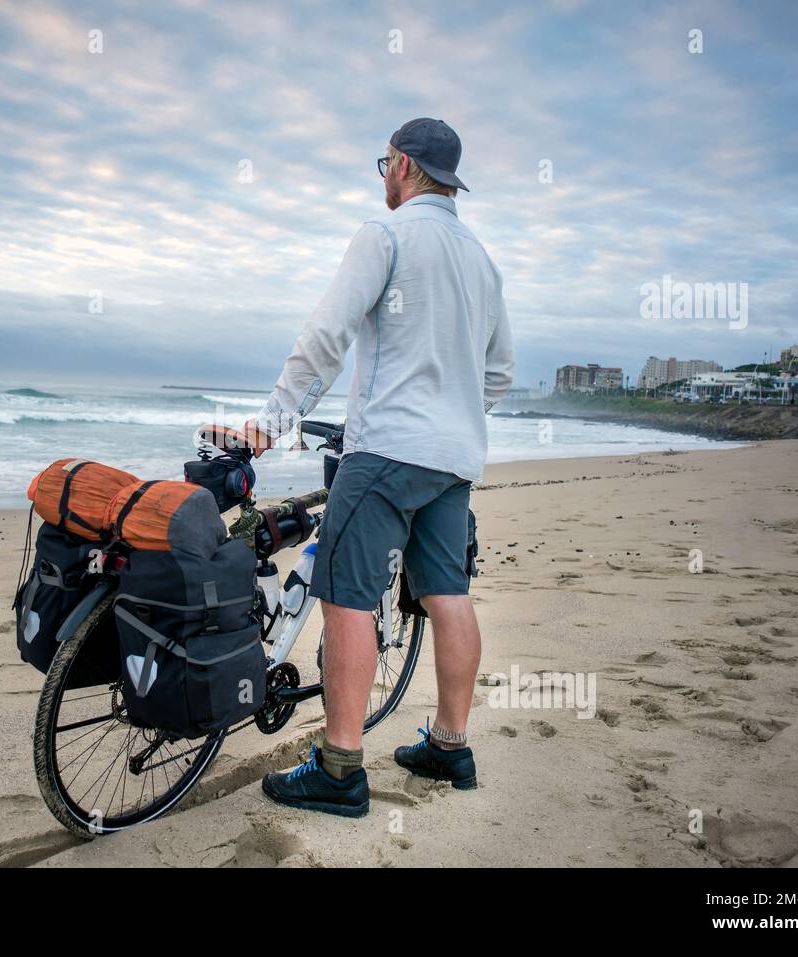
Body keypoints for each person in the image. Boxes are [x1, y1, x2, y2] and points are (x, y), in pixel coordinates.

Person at [244, 117, 515, 817]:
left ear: (402, 165)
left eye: (383, 163)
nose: (382, 175)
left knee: (347, 595)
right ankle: (450, 745)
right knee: (446, 591)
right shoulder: (482, 260)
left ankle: (339, 767)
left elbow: (326, 334)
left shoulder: (385, 235)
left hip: (387, 449)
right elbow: (498, 372)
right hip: (453, 460)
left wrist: (271, 424)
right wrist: (454, 412)